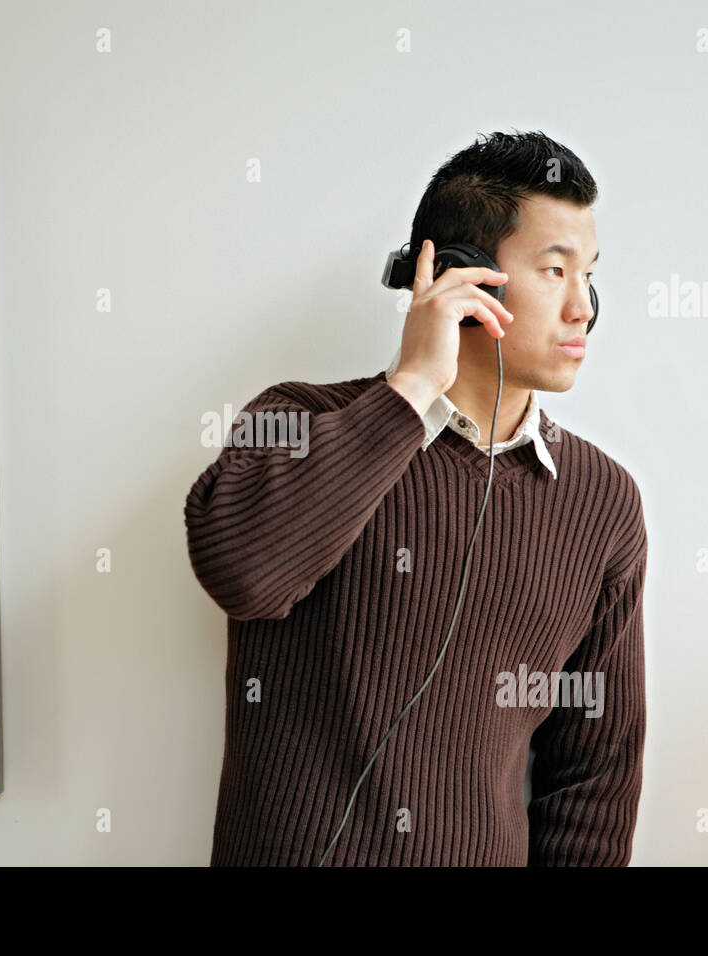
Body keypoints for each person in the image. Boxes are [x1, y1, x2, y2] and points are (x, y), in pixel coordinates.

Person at [184, 130, 648, 866]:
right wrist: (410, 390)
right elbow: (241, 572)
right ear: (462, 277)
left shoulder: (603, 502)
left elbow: (593, 774)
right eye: (555, 271)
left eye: (589, 274)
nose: (583, 307)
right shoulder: (300, 422)